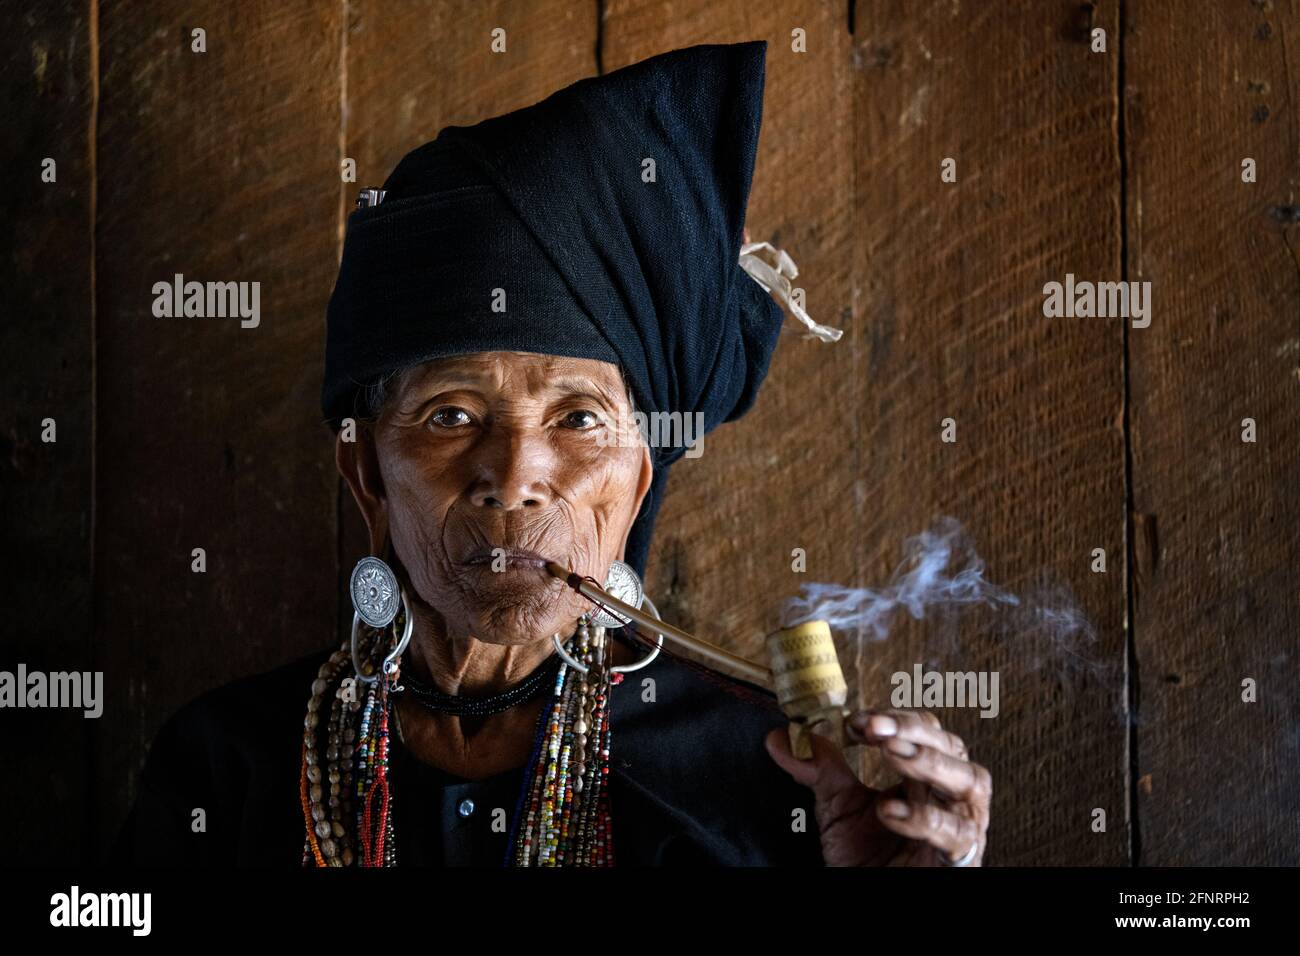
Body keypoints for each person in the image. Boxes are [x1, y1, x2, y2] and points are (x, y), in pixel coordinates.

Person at [111, 40, 989, 867]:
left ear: (640, 480)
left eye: (578, 421)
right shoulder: (225, 766)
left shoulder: (773, 780)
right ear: (368, 475)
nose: (515, 476)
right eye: (452, 417)